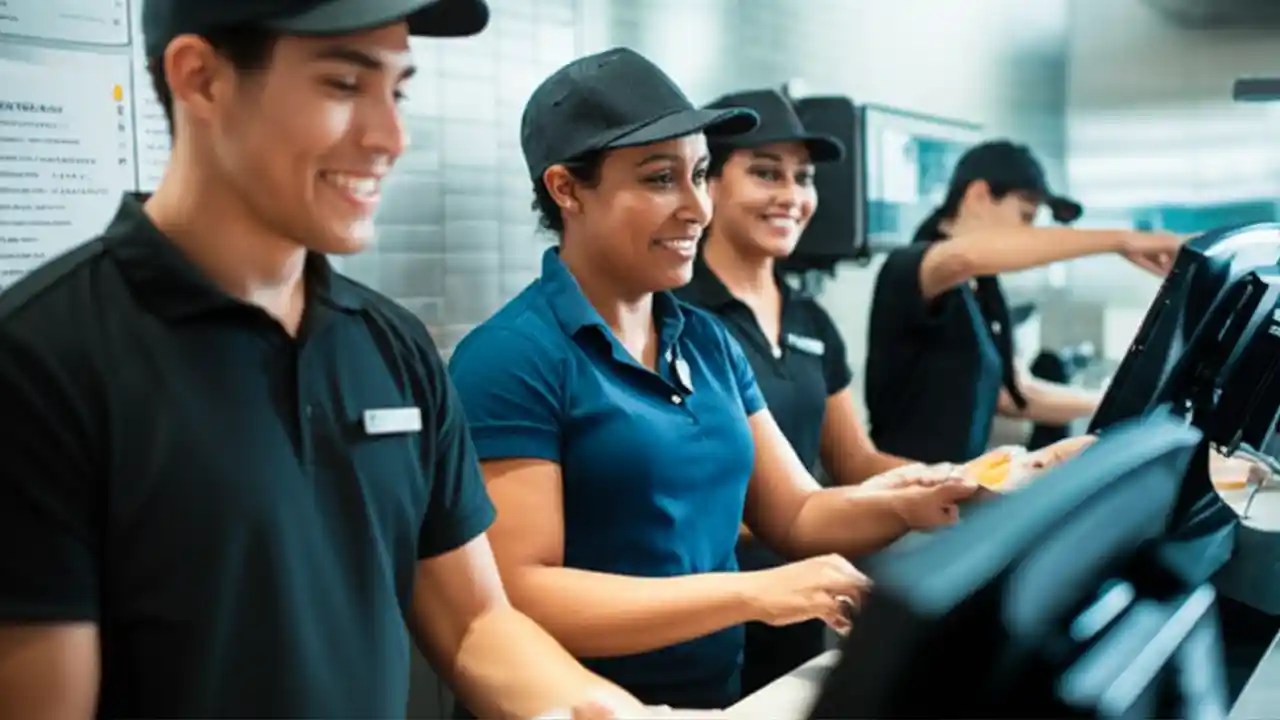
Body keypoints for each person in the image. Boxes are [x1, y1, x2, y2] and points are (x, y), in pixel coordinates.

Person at [0, 2, 651, 718]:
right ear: (202, 79)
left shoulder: (392, 348)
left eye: (396, 91)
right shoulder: (40, 363)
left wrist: (598, 706)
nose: (391, 137)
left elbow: (474, 624)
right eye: (344, 85)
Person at [447, 47, 979, 711]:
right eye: (659, 179)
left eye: (700, 173)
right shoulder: (512, 358)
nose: (697, 206)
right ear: (566, 189)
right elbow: (521, 593)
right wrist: (753, 594)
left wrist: (908, 504)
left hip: (717, 699)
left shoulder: (704, 340)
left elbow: (798, 511)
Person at [677, 88, 1096, 695]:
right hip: (713, 607)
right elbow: (693, 504)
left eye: (804, 177)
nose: (792, 196)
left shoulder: (809, 320)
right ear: (708, 184)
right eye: (765, 173)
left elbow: (855, 462)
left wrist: (964, 480)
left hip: (806, 596)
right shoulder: (680, 318)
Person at [865, 140, 1185, 464]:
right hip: (901, 493)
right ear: (978, 195)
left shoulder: (981, 287)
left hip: (954, 493)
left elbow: (1014, 394)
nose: (1030, 232)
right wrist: (1122, 240)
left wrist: (1122, 402)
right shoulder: (912, 268)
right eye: (1026, 216)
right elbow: (962, 256)